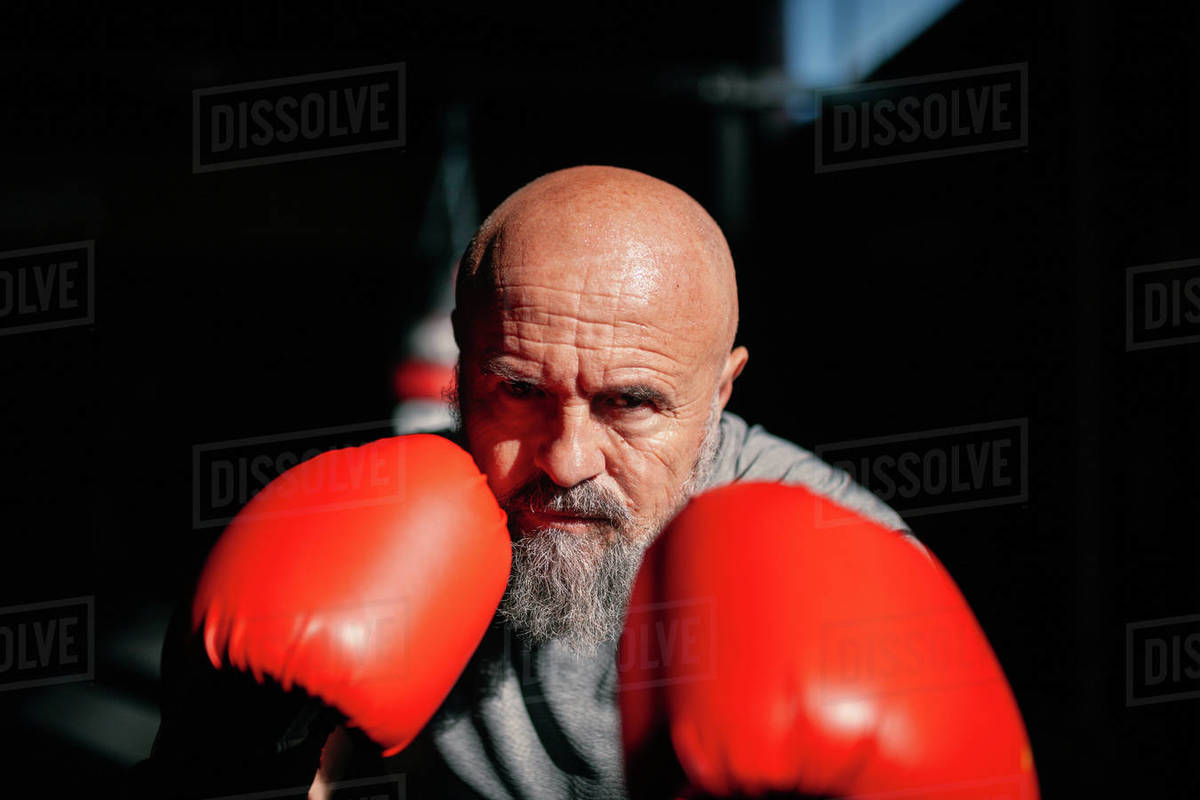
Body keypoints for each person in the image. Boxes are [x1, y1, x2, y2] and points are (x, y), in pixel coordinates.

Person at [129, 167, 1016, 800]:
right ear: (461, 367)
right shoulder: (380, 529)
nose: (566, 459)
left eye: (630, 402)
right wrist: (240, 755)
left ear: (721, 392)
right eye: (518, 390)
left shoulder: (848, 574)